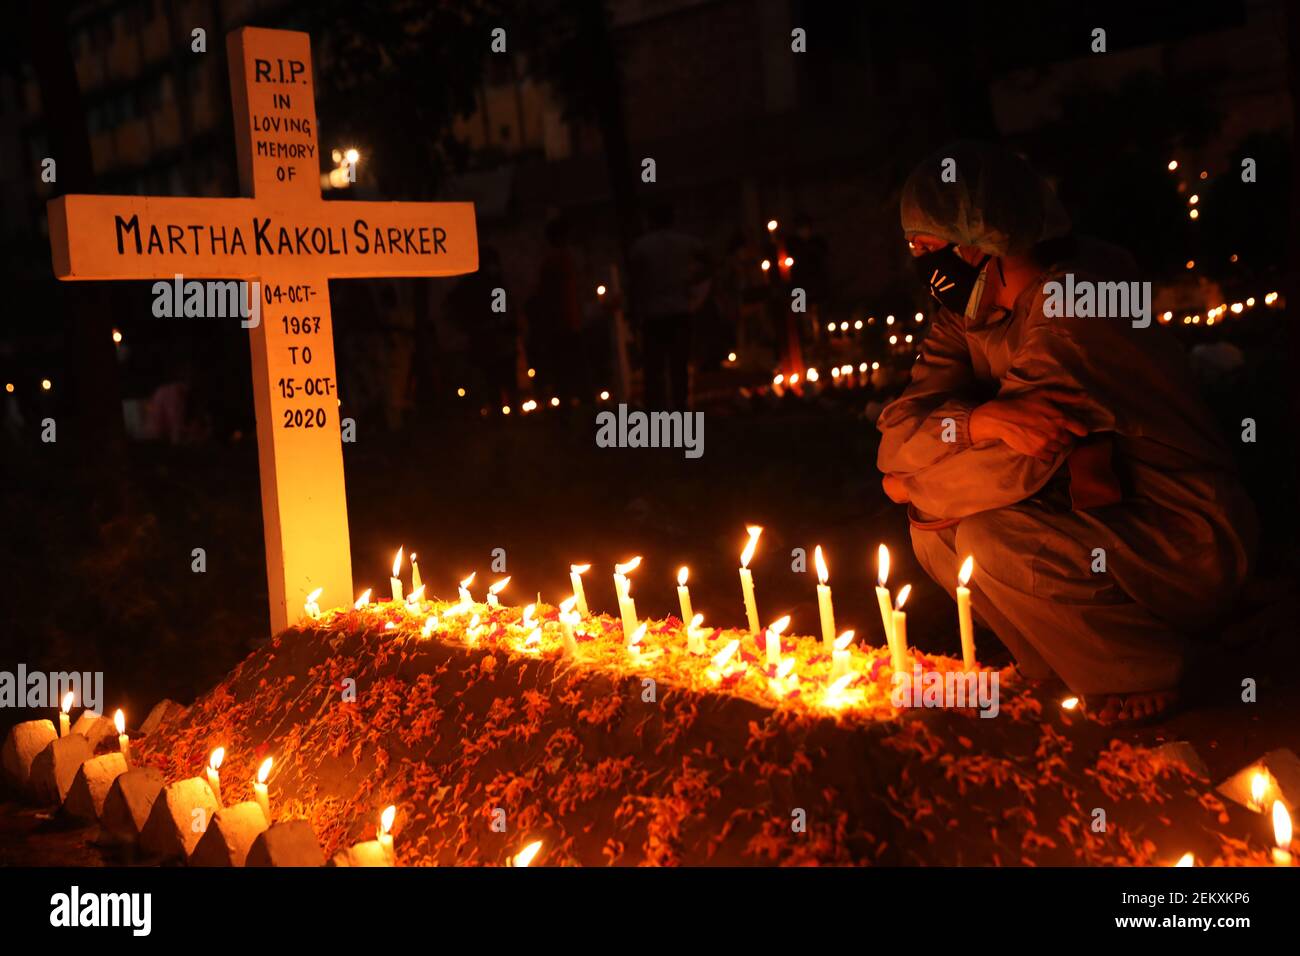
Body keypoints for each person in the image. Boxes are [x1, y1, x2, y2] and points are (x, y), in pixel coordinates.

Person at [877, 141, 1257, 722]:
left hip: (1177, 532)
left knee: (986, 537)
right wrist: (979, 421)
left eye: (928, 248)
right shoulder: (964, 318)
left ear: (981, 241)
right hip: (1096, 514)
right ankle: (1054, 665)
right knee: (937, 537)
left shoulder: (1076, 303)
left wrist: (909, 482)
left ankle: (1148, 666)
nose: (924, 267)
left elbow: (1022, 467)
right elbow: (897, 433)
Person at [629, 201, 709, 409]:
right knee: (678, 365)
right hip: (679, 311)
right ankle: (680, 407)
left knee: (654, 367)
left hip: (654, 314)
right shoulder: (686, 243)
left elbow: (635, 281)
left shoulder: (642, 246)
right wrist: (693, 280)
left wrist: (636, 308)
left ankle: (657, 409)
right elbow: (709, 260)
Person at [527, 217, 583, 400]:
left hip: (559, 323)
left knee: (563, 368)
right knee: (570, 367)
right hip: (565, 323)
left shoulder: (549, 261)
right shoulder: (560, 261)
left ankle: (568, 404)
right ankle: (575, 404)